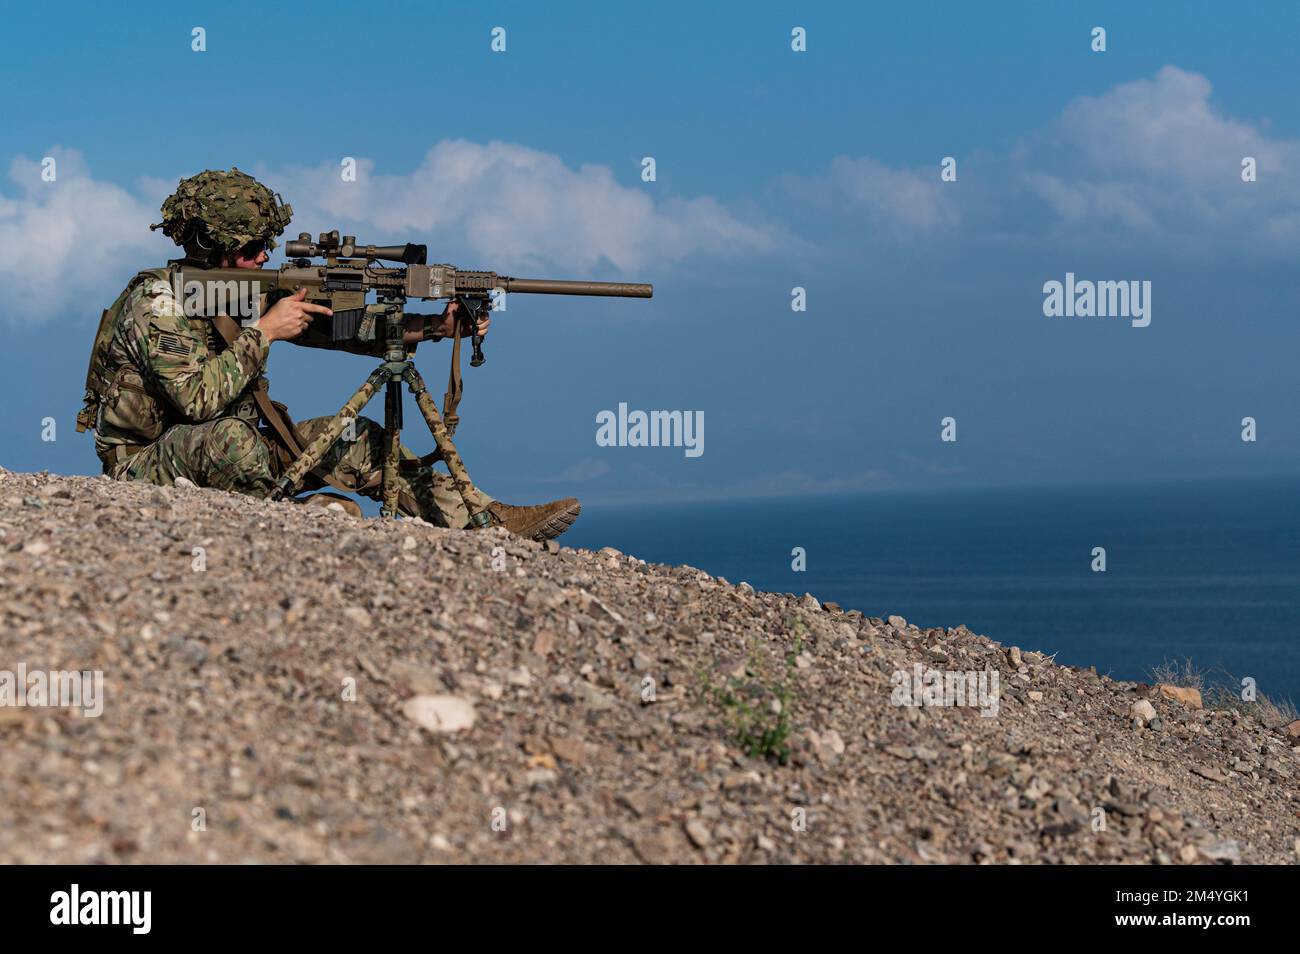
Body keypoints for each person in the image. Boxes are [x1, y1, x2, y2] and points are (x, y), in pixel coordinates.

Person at [77, 167, 580, 540]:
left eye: (265, 246)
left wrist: (432, 327)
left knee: (358, 438)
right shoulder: (157, 303)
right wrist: (265, 333)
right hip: (144, 464)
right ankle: (295, 521)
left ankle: (487, 519)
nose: (262, 258)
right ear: (211, 246)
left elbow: (337, 329)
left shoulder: (238, 291)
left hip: (232, 450)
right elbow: (195, 402)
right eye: (251, 247)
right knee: (232, 439)